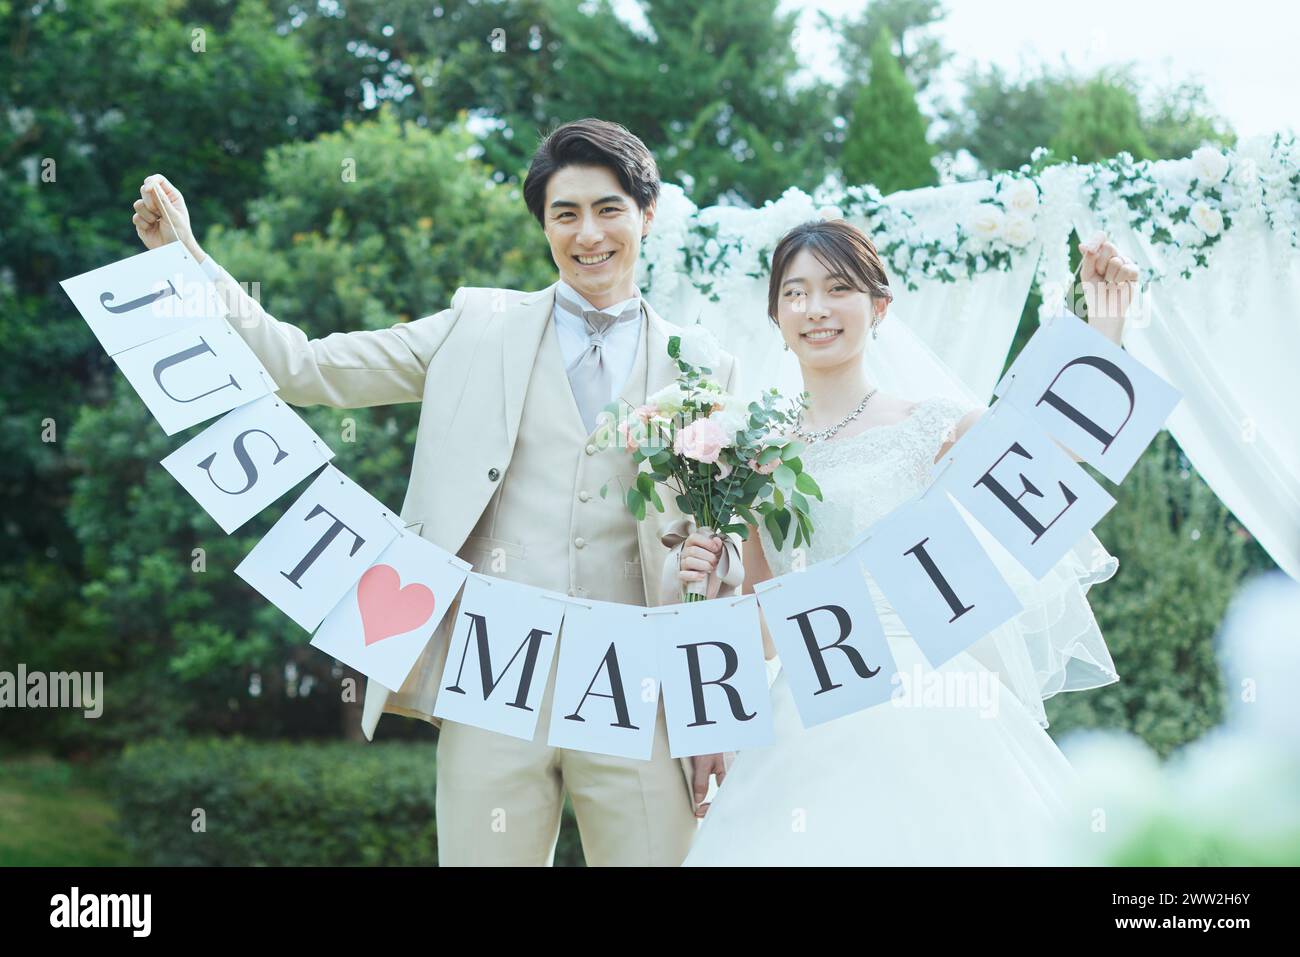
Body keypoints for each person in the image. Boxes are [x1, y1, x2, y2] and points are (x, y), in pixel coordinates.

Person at [130, 118, 741, 867]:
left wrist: (713, 713)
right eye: (565, 213)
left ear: (647, 214)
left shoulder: (704, 363)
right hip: (491, 676)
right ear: (544, 224)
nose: (589, 234)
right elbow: (305, 369)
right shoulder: (475, 326)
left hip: (639, 692)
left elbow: (727, 552)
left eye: (609, 208)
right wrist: (188, 265)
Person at [673, 218, 1140, 865]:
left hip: (930, 699)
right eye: (795, 292)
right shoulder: (754, 457)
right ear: (777, 315)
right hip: (803, 718)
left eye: (838, 288)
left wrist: (1104, 322)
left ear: (879, 306)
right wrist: (708, 594)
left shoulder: (940, 427)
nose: (815, 309)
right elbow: (766, 618)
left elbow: (1057, 451)